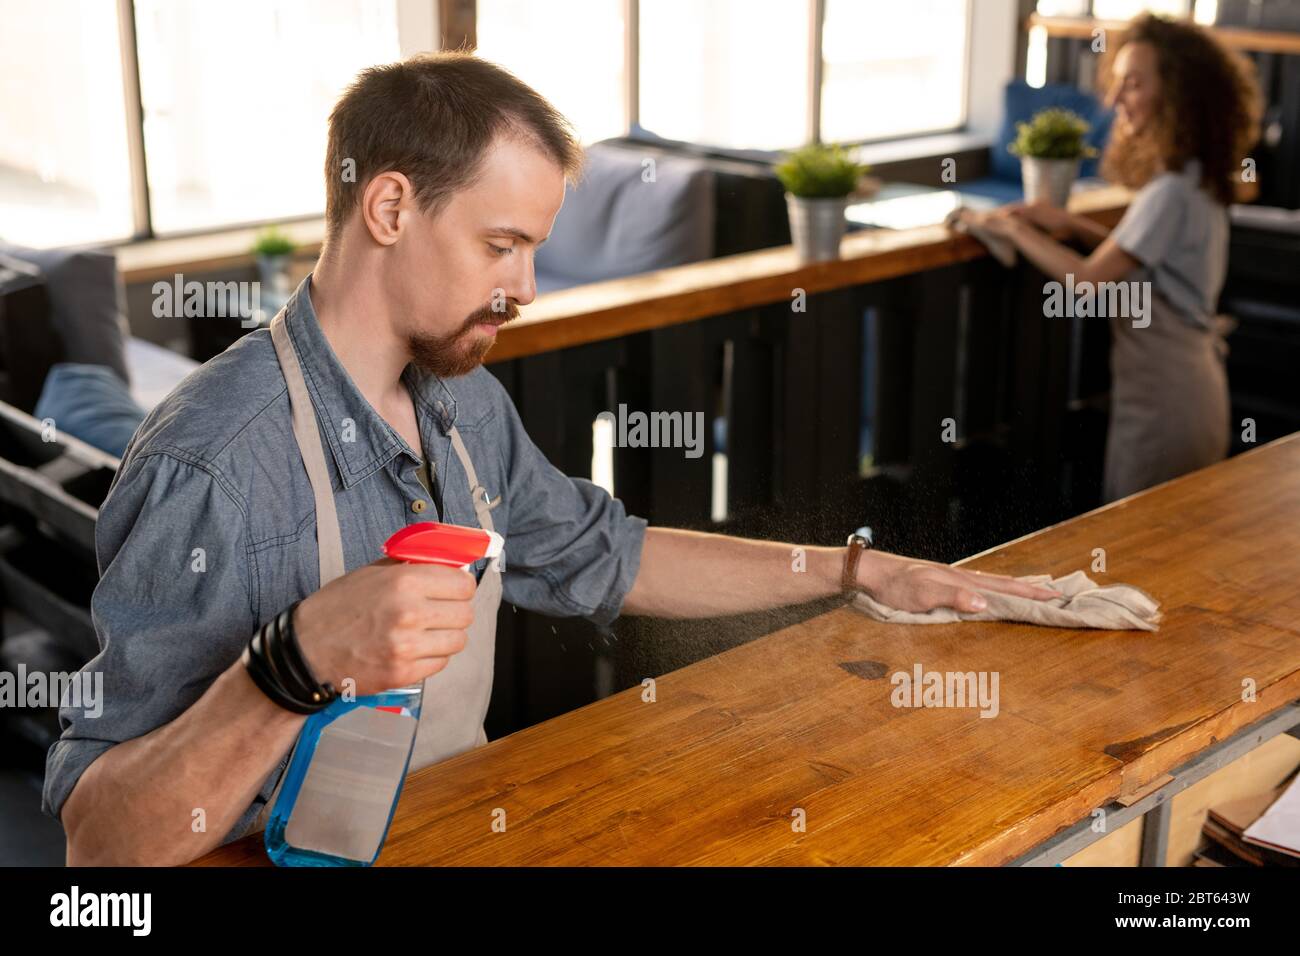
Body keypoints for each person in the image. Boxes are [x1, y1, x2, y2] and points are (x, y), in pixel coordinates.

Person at [44, 52, 1059, 866]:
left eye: (534, 248)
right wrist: (293, 660)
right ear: (390, 208)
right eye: (500, 245)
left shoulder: (464, 404)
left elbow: (606, 554)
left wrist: (853, 570)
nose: (525, 284)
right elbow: (100, 843)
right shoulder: (213, 460)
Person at [955, 13, 1261, 502]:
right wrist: (1071, 224)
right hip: (1190, 391)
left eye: (1134, 83)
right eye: (1117, 82)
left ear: (1178, 95)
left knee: (1137, 549)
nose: (1115, 99)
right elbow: (1152, 264)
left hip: (1166, 405)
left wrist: (1008, 225)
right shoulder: (1195, 180)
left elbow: (1088, 282)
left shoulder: (1169, 192)